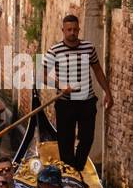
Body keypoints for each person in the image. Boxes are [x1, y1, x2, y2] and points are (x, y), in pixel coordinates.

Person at [44, 14, 113, 173]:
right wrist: (61, 86)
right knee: (65, 141)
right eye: (69, 30)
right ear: (63, 30)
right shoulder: (54, 51)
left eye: (75, 29)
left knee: (87, 138)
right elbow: (43, 75)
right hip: (65, 103)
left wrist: (108, 93)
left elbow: (98, 71)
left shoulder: (88, 48)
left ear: (79, 29)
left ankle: (77, 168)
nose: (72, 32)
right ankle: (69, 172)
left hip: (86, 101)